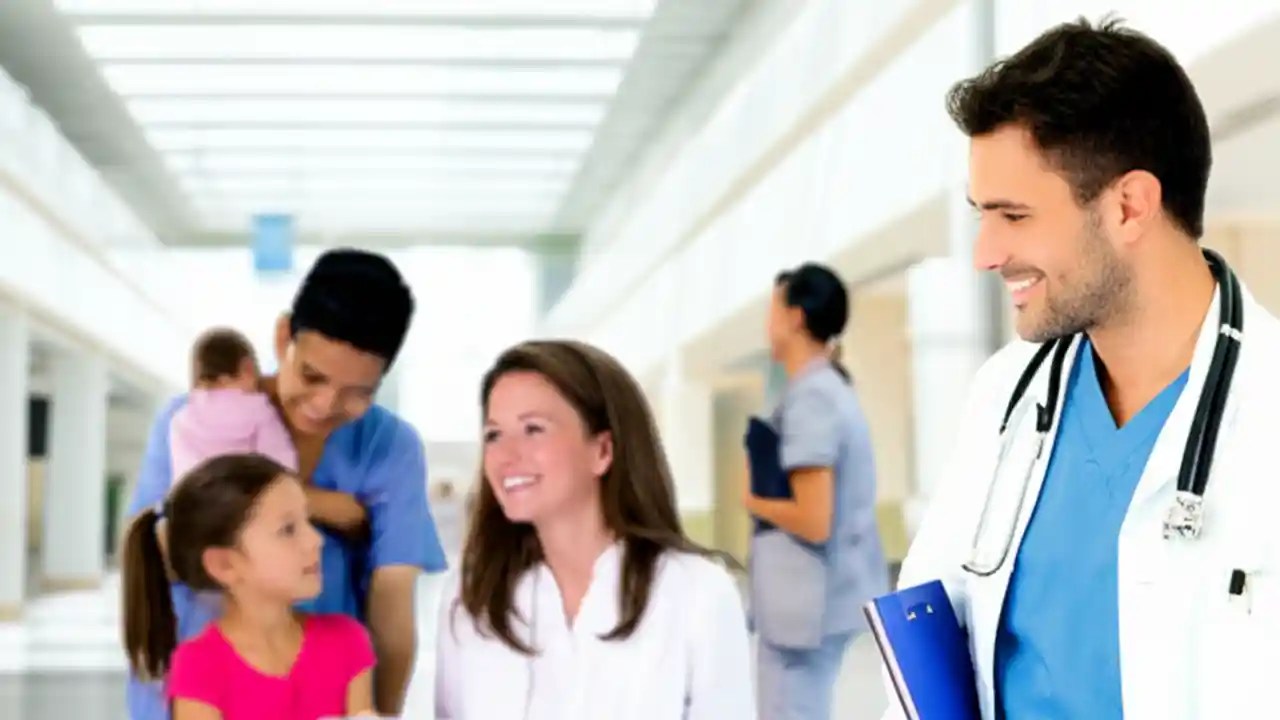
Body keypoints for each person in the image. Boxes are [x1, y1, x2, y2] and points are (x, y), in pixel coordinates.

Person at [886, 18, 1280, 719]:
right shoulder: (1005, 396)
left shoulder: (1267, 408)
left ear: (1129, 207)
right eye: (983, 215)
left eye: (1013, 215)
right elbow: (928, 640)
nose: (985, 253)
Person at [126, 248, 445, 719]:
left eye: (359, 392)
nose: (324, 404)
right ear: (282, 339)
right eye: (311, 376)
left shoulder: (390, 446)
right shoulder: (194, 421)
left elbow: (393, 615)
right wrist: (322, 505)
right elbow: (164, 548)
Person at [435, 340, 754, 719]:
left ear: (602, 450)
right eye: (493, 435)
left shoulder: (698, 593)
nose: (506, 455)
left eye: (533, 429)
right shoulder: (470, 594)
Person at [122, 454, 376, 720]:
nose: (315, 540)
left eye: (308, 521)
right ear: (225, 565)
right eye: (288, 529)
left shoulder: (348, 641)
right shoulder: (199, 667)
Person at [744, 263, 889, 719]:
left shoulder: (813, 398)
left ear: (796, 317)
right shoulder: (825, 389)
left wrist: (753, 501)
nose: (767, 324)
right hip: (813, 602)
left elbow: (813, 517)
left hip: (805, 609)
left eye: (773, 310)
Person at [170, 327, 297, 481]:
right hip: (244, 500)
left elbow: (181, 474)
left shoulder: (181, 420)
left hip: (197, 500)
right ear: (248, 368)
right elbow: (282, 463)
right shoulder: (258, 410)